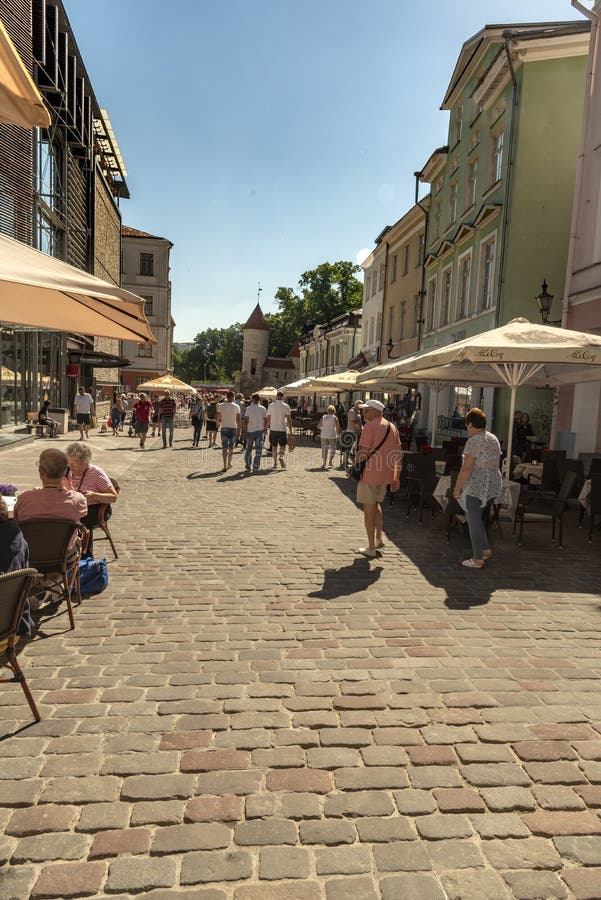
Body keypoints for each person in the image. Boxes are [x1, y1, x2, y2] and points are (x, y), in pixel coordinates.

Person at [452, 407, 502, 569]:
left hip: (477, 485)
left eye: (467, 425)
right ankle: (485, 549)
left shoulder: (473, 441)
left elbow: (467, 468)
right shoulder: (493, 438)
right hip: (492, 483)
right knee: (477, 517)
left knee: (473, 520)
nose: (467, 428)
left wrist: (457, 488)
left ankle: (477, 558)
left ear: (472, 424)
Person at [355, 399, 401, 559]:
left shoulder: (370, 426)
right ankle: (379, 537)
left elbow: (363, 451)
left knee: (368, 511)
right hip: (385, 474)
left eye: (366, 410)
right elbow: (397, 454)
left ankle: (371, 547)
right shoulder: (392, 427)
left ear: (375, 411)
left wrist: (356, 469)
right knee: (377, 504)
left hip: (370, 473)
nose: (363, 413)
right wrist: (396, 477)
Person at [65, 442, 118, 557]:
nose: (71, 466)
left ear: (85, 462)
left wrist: (94, 495)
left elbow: (113, 497)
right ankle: (64, 554)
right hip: (72, 508)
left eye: (75, 463)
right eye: (69, 463)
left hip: (96, 509)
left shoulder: (95, 473)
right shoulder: (67, 472)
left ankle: (85, 557)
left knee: (81, 520)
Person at [15, 448, 88, 527]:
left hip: (32, 539)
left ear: (41, 471)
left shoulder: (24, 499)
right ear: (65, 471)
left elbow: (16, 520)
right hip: (65, 539)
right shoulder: (78, 500)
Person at [266, 391, 293, 469]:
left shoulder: (271, 405)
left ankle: (275, 463)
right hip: (282, 429)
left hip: (273, 428)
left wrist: (266, 427)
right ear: (283, 397)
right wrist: (291, 431)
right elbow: (289, 419)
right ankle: (281, 456)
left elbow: (268, 418)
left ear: (276, 396)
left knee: (274, 446)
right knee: (282, 445)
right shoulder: (286, 406)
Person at [216, 390, 241, 472]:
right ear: (233, 397)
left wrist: (217, 423)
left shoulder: (221, 405)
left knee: (224, 447)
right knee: (231, 447)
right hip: (233, 427)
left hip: (224, 427)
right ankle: (229, 462)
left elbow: (218, 416)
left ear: (227, 397)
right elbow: (238, 419)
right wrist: (239, 429)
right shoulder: (236, 406)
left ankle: (224, 465)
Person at [244, 394, 267, 474]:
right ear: (259, 399)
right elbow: (265, 420)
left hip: (250, 430)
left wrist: (245, 431)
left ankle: (248, 464)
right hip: (260, 431)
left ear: (252, 399)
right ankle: (255, 467)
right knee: (258, 450)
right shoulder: (263, 408)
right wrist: (265, 429)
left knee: (249, 448)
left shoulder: (248, 408)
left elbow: (246, 421)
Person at [318, 405, 341, 469]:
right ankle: (330, 462)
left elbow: (319, 426)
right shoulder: (334, 417)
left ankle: (324, 463)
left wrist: (324, 428)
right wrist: (339, 434)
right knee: (332, 449)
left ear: (327, 410)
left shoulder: (323, 417)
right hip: (332, 435)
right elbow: (337, 427)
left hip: (324, 435)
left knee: (324, 449)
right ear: (334, 411)